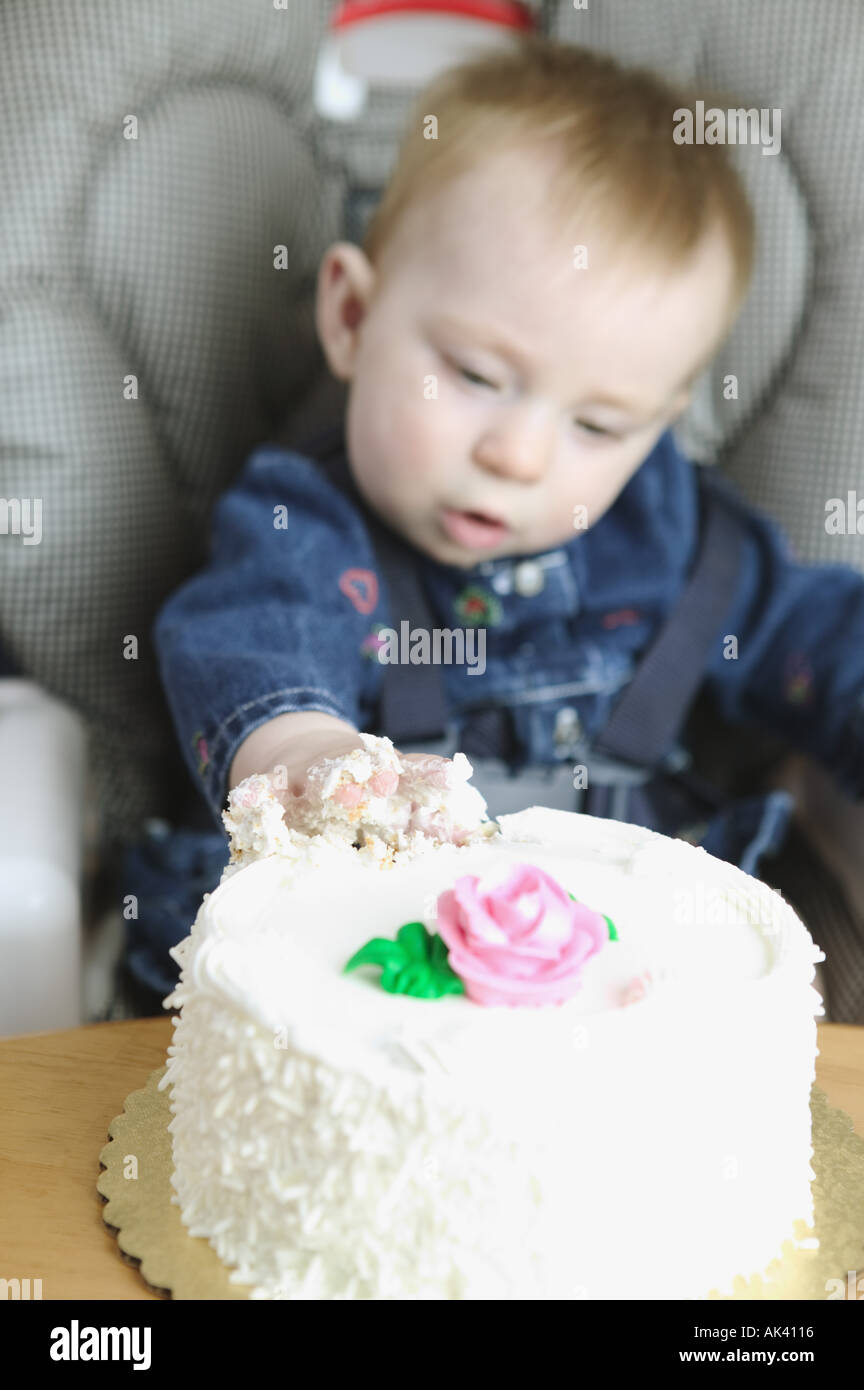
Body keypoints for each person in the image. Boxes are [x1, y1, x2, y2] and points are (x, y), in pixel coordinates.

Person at [146, 36, 864, 1013]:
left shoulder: (679, 537)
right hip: (367, 976)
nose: (519, 456)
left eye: (600, 423)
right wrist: (303, 753)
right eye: (478, 376)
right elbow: (253, 635)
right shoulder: (308, 527)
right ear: (354, 315)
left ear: (661, 419)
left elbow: (817, 639)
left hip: (625, 966)